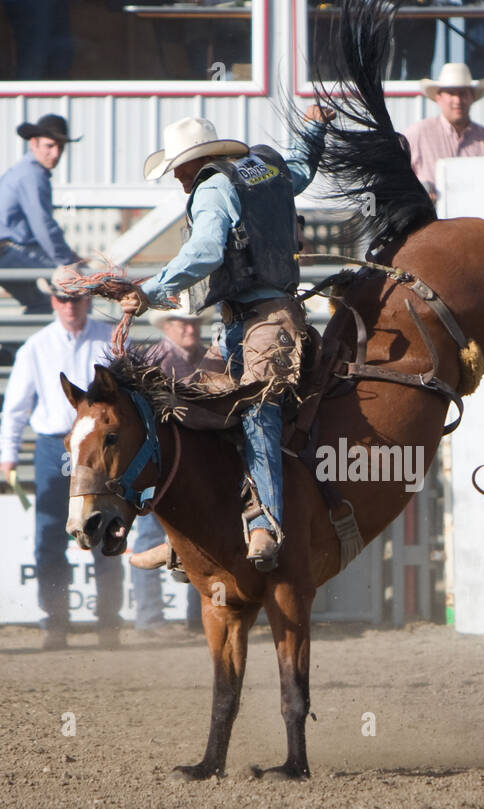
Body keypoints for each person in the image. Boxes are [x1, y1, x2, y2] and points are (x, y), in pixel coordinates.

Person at [119, 111, 330, 573]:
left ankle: (266, 523)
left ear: (196, 161)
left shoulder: (212, 188)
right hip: (255, 320)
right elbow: (299, 168)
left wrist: (149, 291)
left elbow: (206, 250)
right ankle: (194, 537)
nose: (176, 176)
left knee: (254, 408)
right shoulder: (260, 173)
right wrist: (314, 128)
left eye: (178, 166)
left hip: (260, 323)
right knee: (196, 406)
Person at [0, 274, 122, 649]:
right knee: (50, 535)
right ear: (53, 302)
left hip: (97, 445)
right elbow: (15, 407)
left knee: (105, 529)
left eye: (77, 299)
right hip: (55, 444)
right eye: (64, 300)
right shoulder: (37, 347)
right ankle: (56, 622)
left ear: (86, 301)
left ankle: (108, 624)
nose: (70, 306)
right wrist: (8, 452)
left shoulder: (109, 338)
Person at [129, 301, 211, 631]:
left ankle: (198, 615)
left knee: (204, 540)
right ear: (167, 326)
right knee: (154, 535)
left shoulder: (211, 358)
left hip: (200, 464)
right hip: (163, 465)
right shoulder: (152, 363)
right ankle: (151, 617)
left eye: (193, 323)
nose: (190, 328)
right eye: (182, 323)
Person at [0, 114, 83, 314]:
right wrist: (67, 260)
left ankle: (11, 346)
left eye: (60, 148)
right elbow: (43, 224)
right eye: (50, 146)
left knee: (44, 304)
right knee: (76, 288)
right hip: (7, 252)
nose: (55, 153)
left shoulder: (25, 171)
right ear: (33, 143)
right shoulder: (33, 175)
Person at [402, 63, 484, 202]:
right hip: (429, 220)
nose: (457, 100)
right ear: (439, 97)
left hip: (476, 220)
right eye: (451, 93)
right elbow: (394, 180)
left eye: (462, 93)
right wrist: (419, 193)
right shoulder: (415, 135)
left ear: (472, 97)